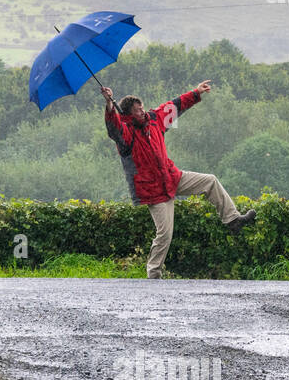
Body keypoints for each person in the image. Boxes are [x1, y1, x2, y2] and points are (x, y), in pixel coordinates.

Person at [101, 81, 255, 279]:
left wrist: (196, 93)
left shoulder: (154, 119)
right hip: (152, 191)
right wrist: (108, 104)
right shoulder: (125, 135)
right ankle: (154, 274)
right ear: (128, 115)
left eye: (142, 108)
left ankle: (233, 220)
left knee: (210, 181)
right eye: (138, 111)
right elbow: (113, 128)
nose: (142, 112)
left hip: (172, 177)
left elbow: (175, 106)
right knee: (164, 234)